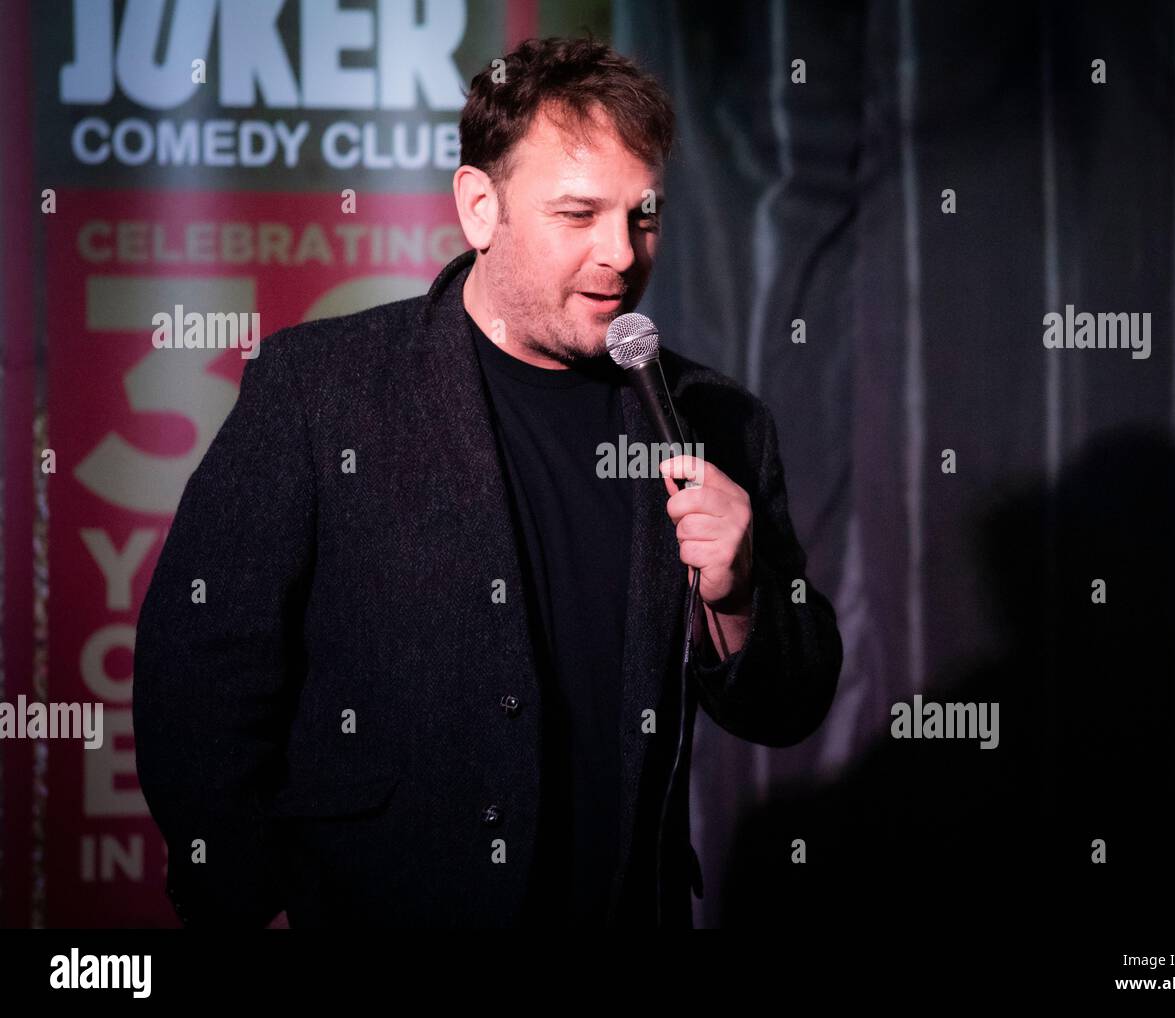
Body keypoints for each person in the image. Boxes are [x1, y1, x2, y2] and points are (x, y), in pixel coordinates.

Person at [133, 36, 842, 929]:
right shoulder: (322, 390)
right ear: (479, 207)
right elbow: (197, 672)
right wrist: (247, 901)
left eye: (643, 214)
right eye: (579, 215)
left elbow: (792, 706)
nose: (621, 254)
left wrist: (739, 600)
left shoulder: (719, 420)